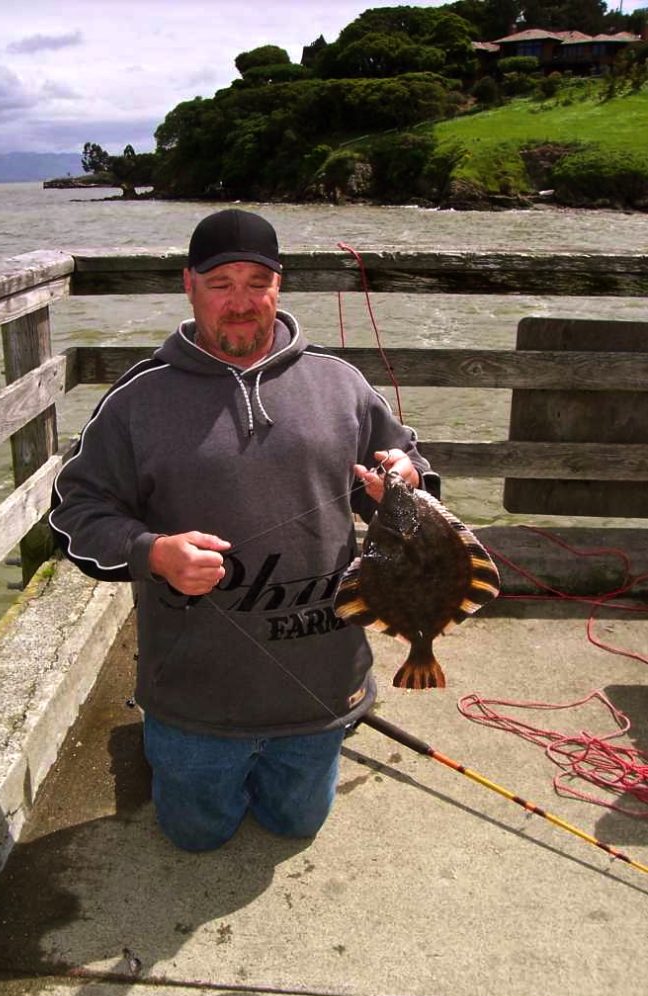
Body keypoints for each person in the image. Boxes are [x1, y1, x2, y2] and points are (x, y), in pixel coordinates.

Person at [49, 209, 437, 852]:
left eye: (257, 281)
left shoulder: (340, 384)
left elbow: (413, 473)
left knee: (296, 825)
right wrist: (154, 552)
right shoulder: (137, 400)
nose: (240, 301)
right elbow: (74, 513)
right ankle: (159, 749)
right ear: (189, 286)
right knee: (196, 835)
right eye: (220, 282)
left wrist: (403, 481)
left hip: (321, 685)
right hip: (195, 699)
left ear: (279, 287)